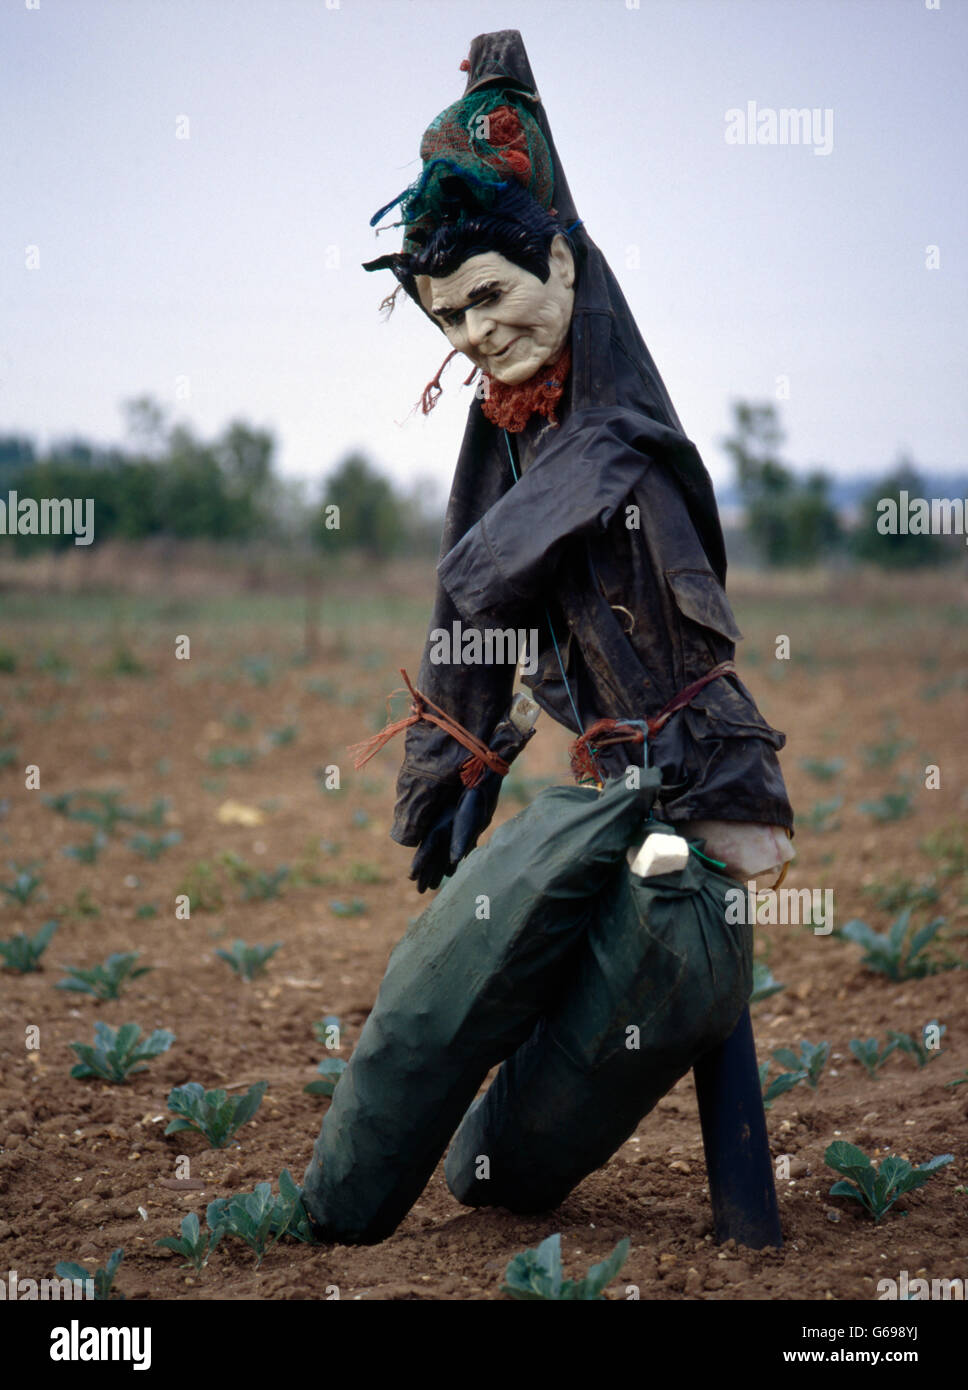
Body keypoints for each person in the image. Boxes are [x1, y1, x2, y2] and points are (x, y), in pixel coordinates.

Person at [300, 29, 794, 1246]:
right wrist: (452, 780)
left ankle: (729, 1218)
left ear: (561, 266)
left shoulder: (618, 439)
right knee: (457, 984)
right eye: (445, 316)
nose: (471, 334)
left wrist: (472, 744)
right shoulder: (512, 426)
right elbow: (478, 611)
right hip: (609, 779)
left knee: (660, 975)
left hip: (698, 777)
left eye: (489, 298)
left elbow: (484, 573)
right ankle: (401, 1190)